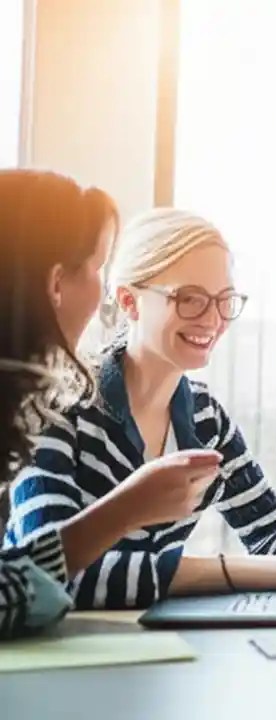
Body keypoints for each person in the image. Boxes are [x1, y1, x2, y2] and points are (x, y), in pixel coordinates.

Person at [5, 208, 276, 610]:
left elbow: (272, 532)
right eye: (189, 299)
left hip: (152, 648)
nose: (212, 319)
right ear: (130, 302)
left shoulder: (206, 419)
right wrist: (264, 572)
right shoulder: (59, 405)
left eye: (224, 300)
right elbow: (52, 574)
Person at [1, 171, 221, 636]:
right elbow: (21, 594)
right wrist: (126, 510)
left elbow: (20, 584)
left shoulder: (202, 415)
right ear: (57, 282)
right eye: (99, 268)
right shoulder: (57, 412)